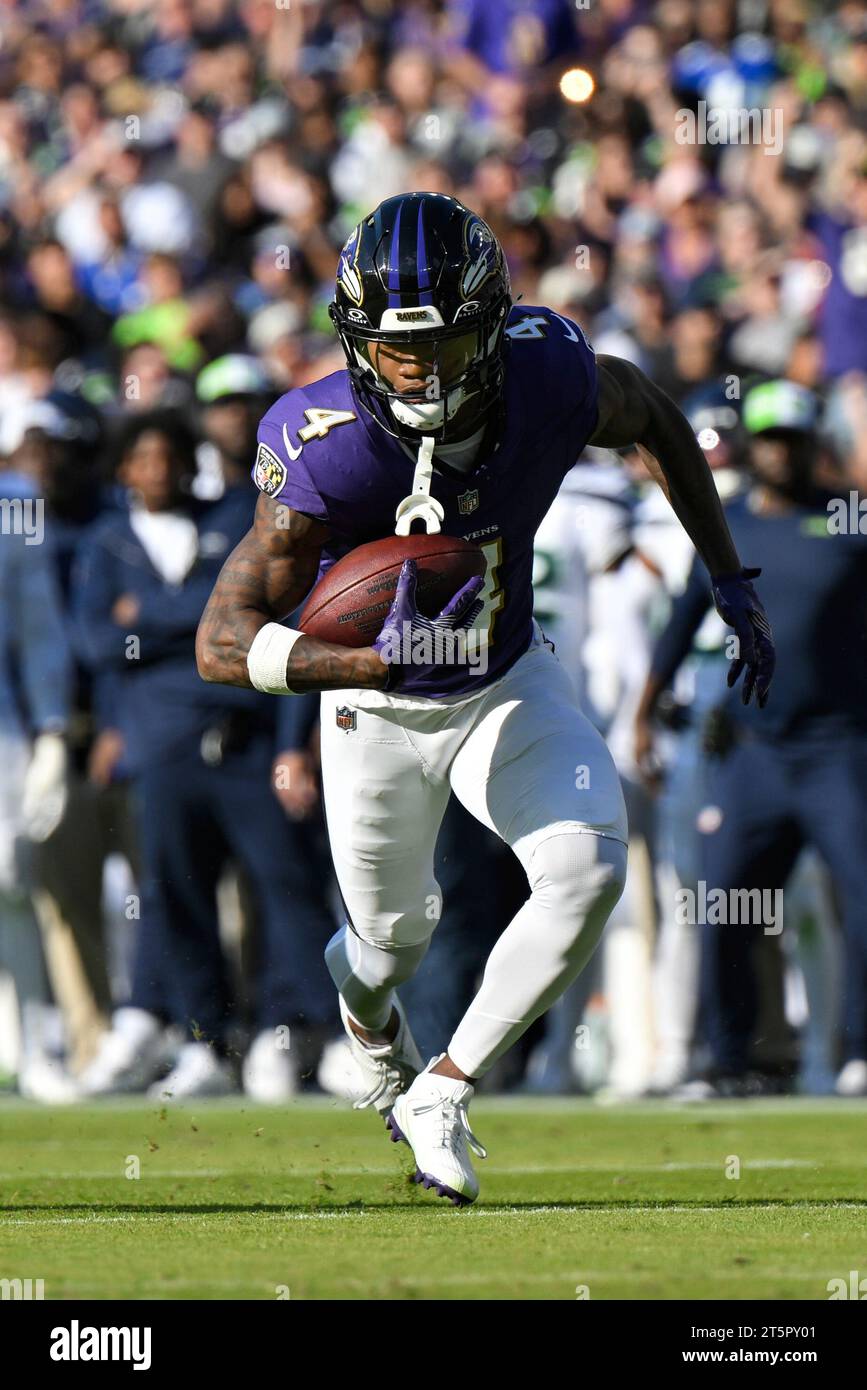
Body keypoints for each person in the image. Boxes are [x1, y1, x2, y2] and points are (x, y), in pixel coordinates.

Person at [196, 192, 774, 1205]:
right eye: (393, 349)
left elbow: (660, 422)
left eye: (446, 345)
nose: (416, 372)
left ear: (492, 324)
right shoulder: (324, 445)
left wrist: (729, 577)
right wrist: (364, 664)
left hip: (507, 674)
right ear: (356, 338)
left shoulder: (548, 372)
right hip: (372, 712)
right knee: (390, 943)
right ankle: (367, 1011)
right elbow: (221, 639)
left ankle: (444, 1091)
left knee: (589, 864)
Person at [635, 380, 867, 1097]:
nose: (779, 455)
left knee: (861, 895)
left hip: (839, 747)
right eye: (769, 441)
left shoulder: (847, 520)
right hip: (753, 748)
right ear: (751, 445)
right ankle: (725, 1058)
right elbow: (681, 620)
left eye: (792, 442)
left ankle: (857, 1051)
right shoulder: (726, 524)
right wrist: (645, 706)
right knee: (723, 900)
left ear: (811, 446)